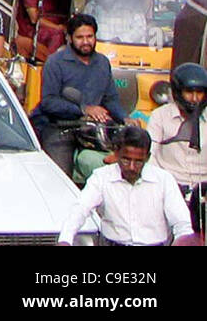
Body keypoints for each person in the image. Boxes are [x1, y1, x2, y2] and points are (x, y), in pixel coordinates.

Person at [57, 126, 194, 246]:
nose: (132, 167)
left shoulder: (163, 180)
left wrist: (183, 241)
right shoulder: (101, 177)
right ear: (116, 153)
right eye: (126, 160)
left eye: (139, 161)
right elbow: (80, 209)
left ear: (147, 157)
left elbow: (182, 223)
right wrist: (65, 239)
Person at [29, 13, 125, 176]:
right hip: (60, 128)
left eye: (90, 36)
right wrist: (84, 109)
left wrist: (125, 117)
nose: (86, 41)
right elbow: (48, 102)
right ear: (69, 38)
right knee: (59, 177)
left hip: (93, 130)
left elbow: (111, 98)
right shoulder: (55, 62)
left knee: (118, 167)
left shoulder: (102, 62)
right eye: (80, 37)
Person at [148, 63, 207, 232]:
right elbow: (150, 154)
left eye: (200, 93)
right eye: (189, 92)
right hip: (170, 187)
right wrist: (164, 184)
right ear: (177, 92)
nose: (195, 98)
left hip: (203, 190)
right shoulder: (160, 116)